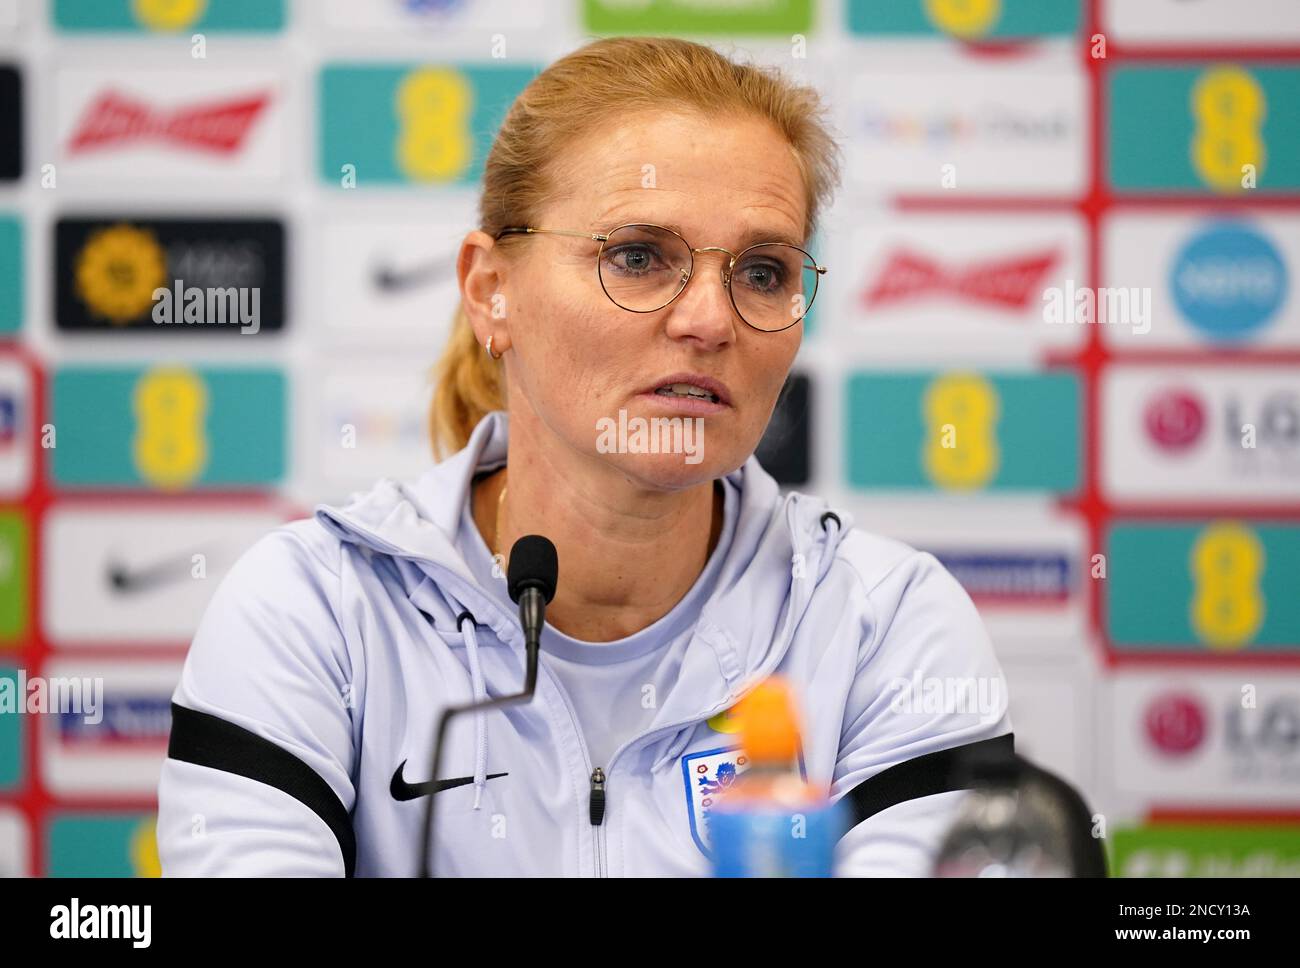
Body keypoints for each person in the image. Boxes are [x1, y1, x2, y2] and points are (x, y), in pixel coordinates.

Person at [157, 35, 1013, 877]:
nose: (710, 321)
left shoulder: (885, 626)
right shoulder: (317, 609)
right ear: (491, 292)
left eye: (762, 271)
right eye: (638, 257)